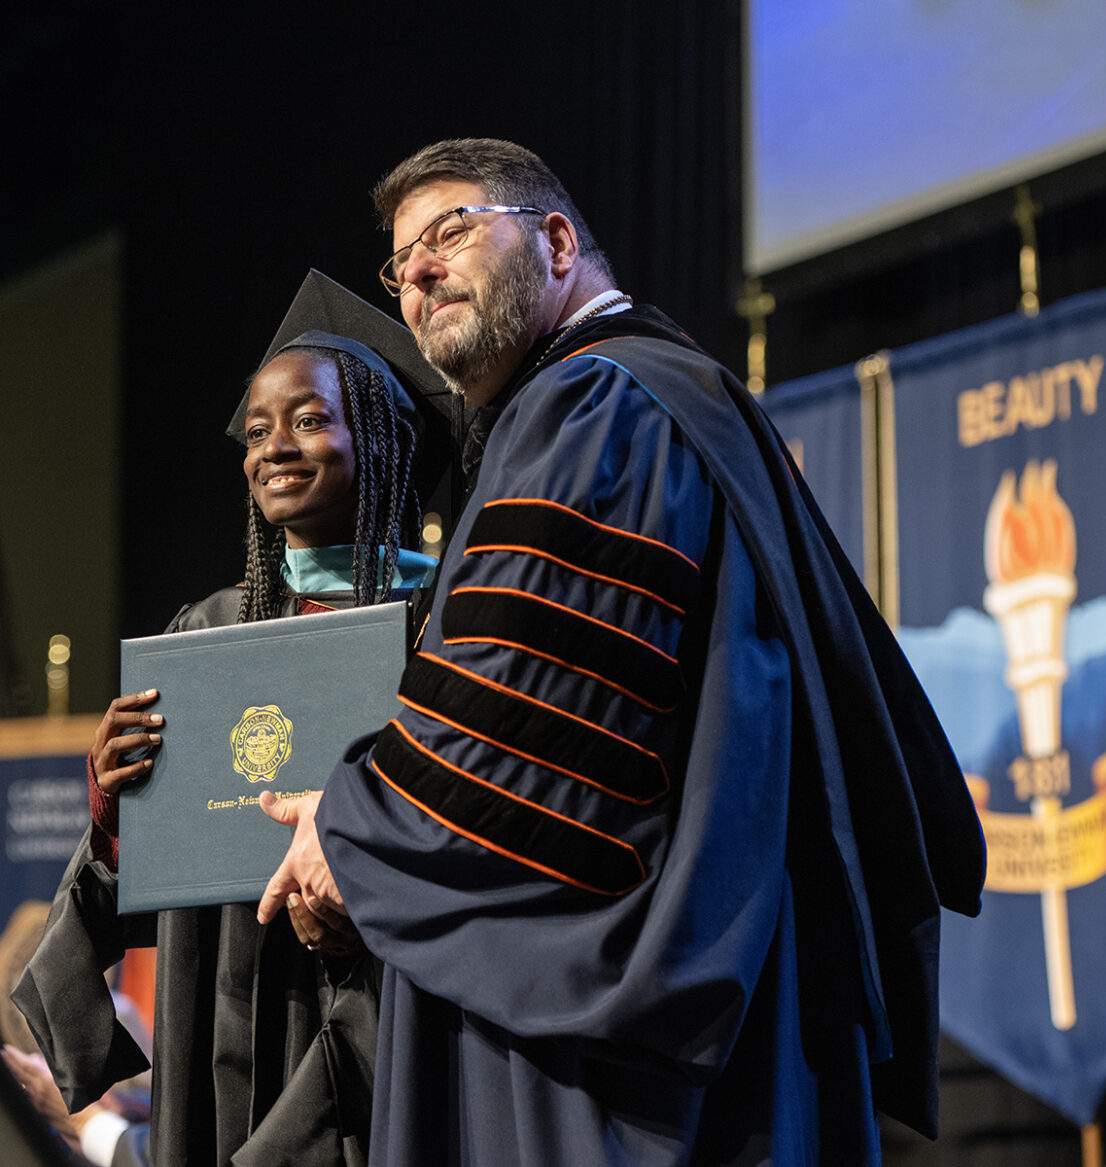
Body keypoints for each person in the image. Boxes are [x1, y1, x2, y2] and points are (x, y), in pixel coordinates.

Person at [255, 139, 987, 1165]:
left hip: (606, 1052)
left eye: (451, 230)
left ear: (556, 242)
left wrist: (360, 826)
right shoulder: (651, 396)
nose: (417, 272)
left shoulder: (599, 407)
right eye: (400, 260)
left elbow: (530, 719)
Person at [14, 276, 445, 1167]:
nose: (275, 448)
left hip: (380, 1018)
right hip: (215, 1011)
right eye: (257, 430)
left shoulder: (438, 625)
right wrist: (115, 808)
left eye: (310, 420)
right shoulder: (207, 634)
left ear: (382, 439)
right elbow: (148, 877)